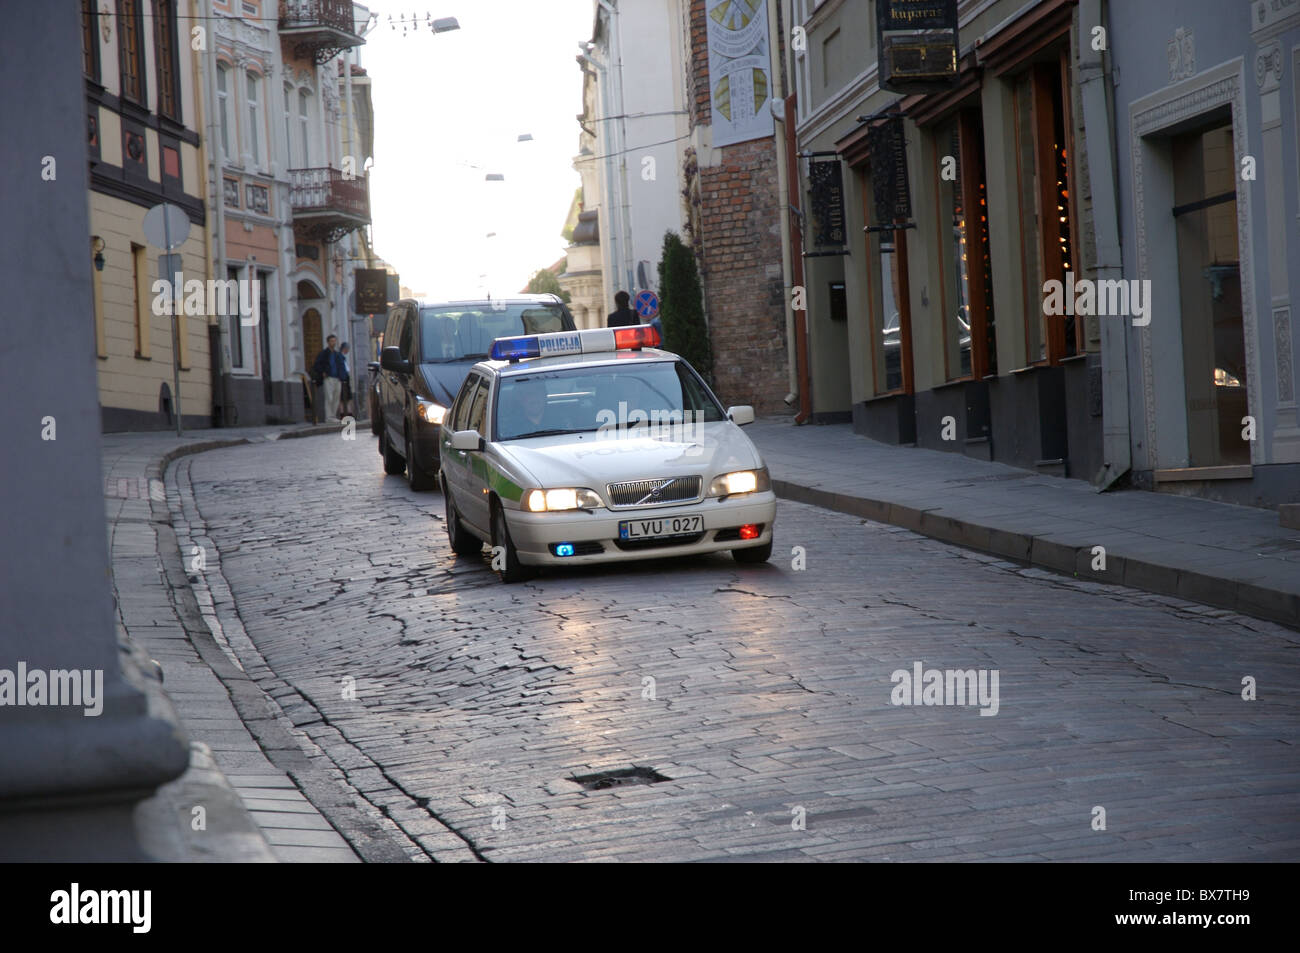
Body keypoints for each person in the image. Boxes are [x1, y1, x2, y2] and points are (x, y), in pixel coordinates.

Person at [312, 334, 344, 422]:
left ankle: (333, 415)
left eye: (334, 341)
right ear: (328, 342)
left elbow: (341, 365)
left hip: (337, 378)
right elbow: (317, 365)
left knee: (336, 398)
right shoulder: (324, 353)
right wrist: (323, 372)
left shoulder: (337, 354)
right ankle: (328, 417)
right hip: (328, 378)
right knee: (329, 397)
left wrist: (342, 376)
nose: (333, 343)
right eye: (332, 341)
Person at [338, 342, 354, 418]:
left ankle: (348, 413)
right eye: (347, 349)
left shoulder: (342, 357)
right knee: (344, 398)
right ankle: (345, 414)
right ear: (344, 349)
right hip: (343, 380)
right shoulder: (340, 357)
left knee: (347, 397)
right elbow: (342, 369)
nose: (348, 351)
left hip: (345, 379)